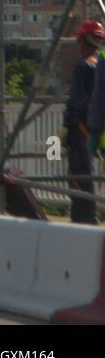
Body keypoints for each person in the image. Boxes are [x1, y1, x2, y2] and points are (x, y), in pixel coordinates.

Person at [64, 21, 105, 224]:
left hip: (80, 129)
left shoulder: (83, 67)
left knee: (80, 175)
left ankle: (84, 218)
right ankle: (89, 216)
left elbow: (78, 102)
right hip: (97, 129)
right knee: (87, 174)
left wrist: (67, 125)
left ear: (82, 40)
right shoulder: (101, 63)